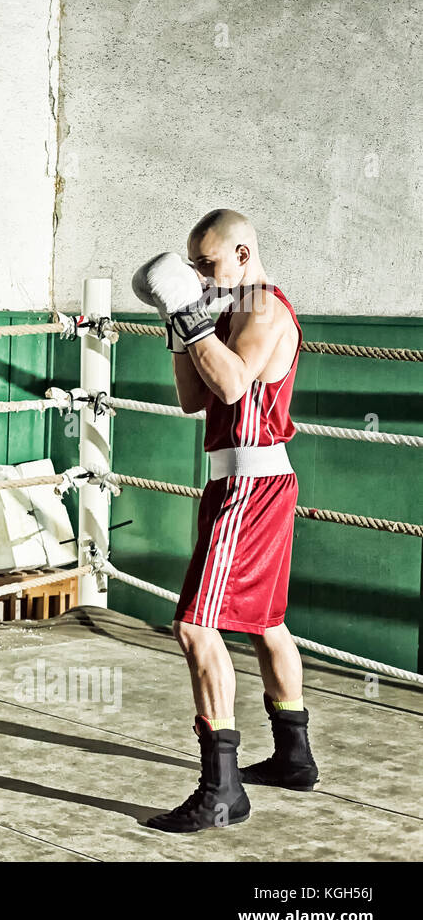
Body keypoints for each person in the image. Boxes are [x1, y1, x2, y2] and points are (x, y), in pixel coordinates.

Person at [131, 209, 319, 834]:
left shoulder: (263, 308)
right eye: (193, 269)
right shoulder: (226, 309)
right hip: (238, 481)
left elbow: (236, 386)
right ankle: (294, 757)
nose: (199, 277)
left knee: (194, 628)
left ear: (242, 254)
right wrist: (177, 322)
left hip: (251, 483)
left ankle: (221, 792)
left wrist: (192, 318)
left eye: (207, 265)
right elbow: (194, 397)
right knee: (266, 623)